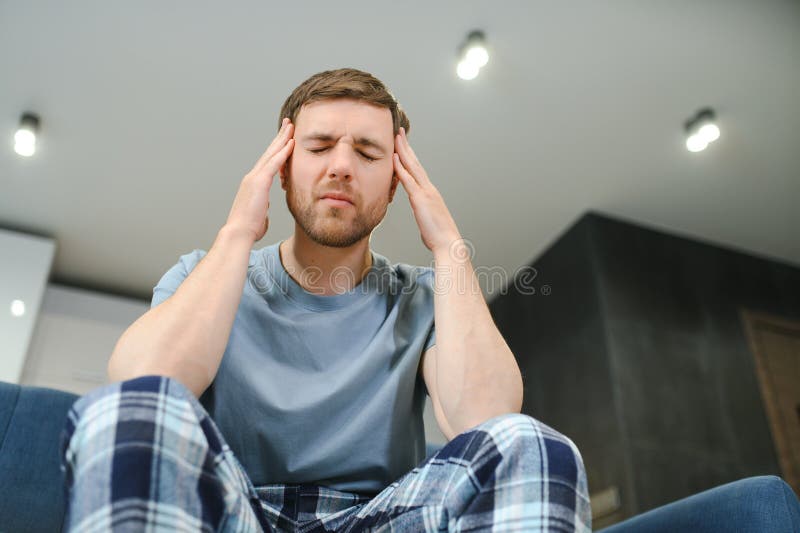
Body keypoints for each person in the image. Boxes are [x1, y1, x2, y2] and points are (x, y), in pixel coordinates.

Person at [60, 68, 591, 532]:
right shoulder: (205, 272)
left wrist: (449, 248)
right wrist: (238, 232)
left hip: (379, 517)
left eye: (367, 152)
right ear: (283, 167)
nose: (341, 166)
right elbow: (140, 389)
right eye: (318, 148)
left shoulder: (424, 296)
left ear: (393, 185)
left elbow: (489, 420)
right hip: (234, 507)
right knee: (129, 407)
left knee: (536, 446)